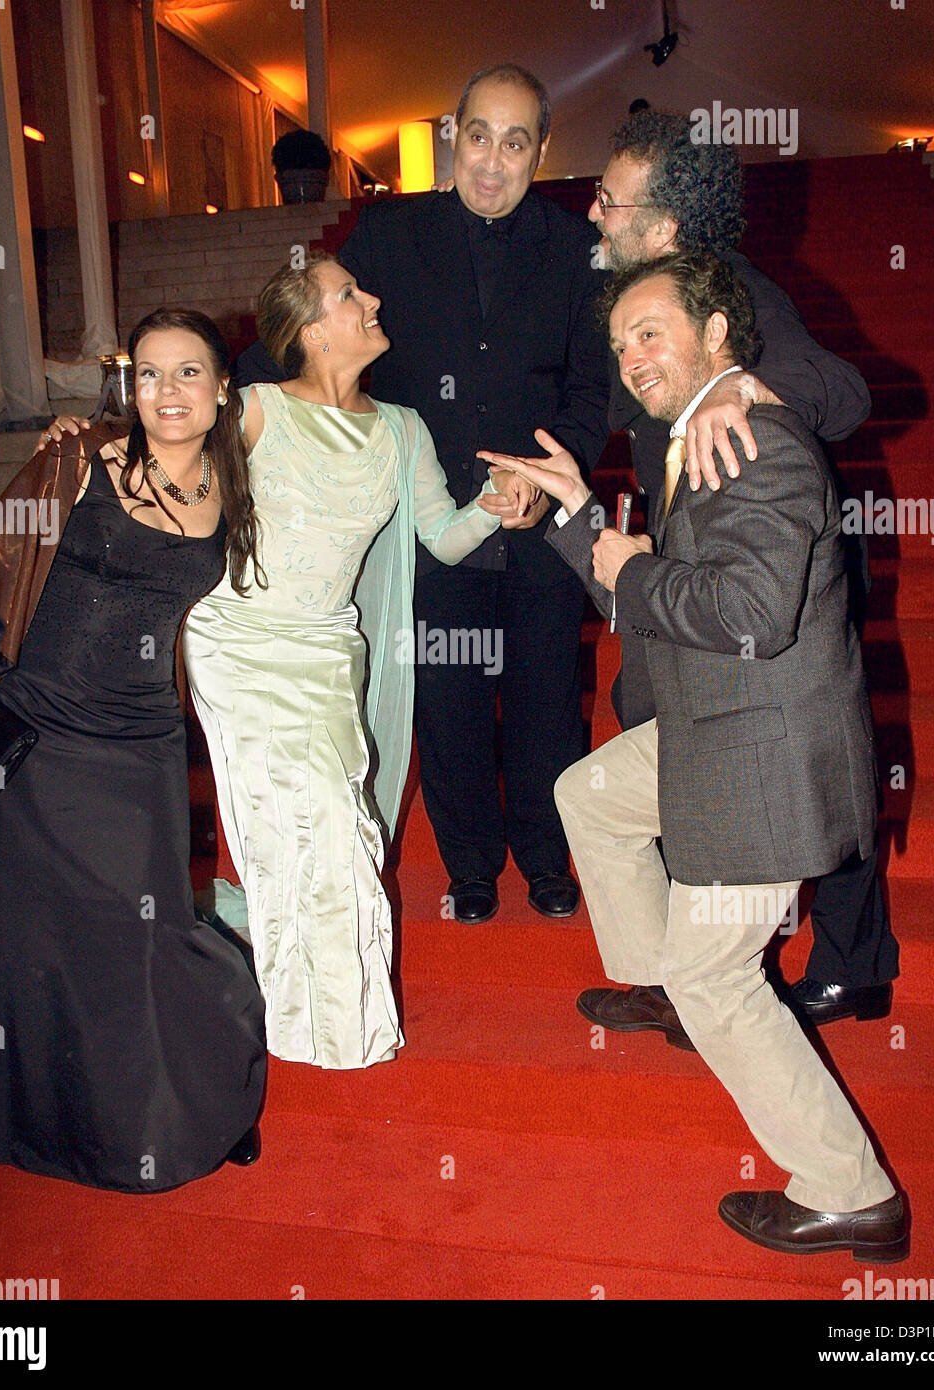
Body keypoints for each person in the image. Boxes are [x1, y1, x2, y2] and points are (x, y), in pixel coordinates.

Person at [484, 252, 908, 1260]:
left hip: (766, 763)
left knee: (720, 978)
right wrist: (571, 514)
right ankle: (659, 980)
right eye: (621, 338)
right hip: (719, 726)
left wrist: (634, 567)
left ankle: (852, 1191)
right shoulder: (695, 437)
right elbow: (648, 598)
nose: (631, 354)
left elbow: (747, 615)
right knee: (589, 792)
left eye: (652, 329)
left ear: (718, 332)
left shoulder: (749, 441)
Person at [239, 64, 612, 927]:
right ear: (453, 135)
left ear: (540, 150)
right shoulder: (390, 236)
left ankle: (547, 856)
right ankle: (471, 864)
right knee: (447, 700)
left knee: (547, 694)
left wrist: (550, 473)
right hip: (431, 514)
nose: (492, 159)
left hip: (542, 520)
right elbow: (303, 337)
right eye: (479, 135)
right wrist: (198, 399)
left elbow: (592, 391)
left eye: (516, 142)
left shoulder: (573, 252)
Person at [0, 308, 267, 1193]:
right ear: (128, 385)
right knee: (34, 943)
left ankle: (200, 1094)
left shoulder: (237, 483)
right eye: (148, 374)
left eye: (188, 373)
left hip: (142, 740)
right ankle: (68, 1130)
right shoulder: (79, 460)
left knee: (154, 937)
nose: (167, 392)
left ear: (222, 388)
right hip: (39, 737)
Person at [584, 108, 897, 1030]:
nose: (593, 213)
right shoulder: (639, 306)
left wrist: (737, 381)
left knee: (805, 773)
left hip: (774, 578)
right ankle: (691, 970)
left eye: (610, 200)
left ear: (666, 225)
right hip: (692, 580)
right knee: (658, 736)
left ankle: (850, 965)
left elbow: (846, 392)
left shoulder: (741, 295)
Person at [185, 254, 535, 1069]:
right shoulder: (256, 409)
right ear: (311, 331)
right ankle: (329, 1028)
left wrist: (494, 506)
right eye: (350, 295)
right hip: (238, 645)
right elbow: (169, 471)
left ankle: (281, 990)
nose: (372, 299)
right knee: (313, 828)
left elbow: (442, 536)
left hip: (328, 650)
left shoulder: (403, 428)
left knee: (340, 830)